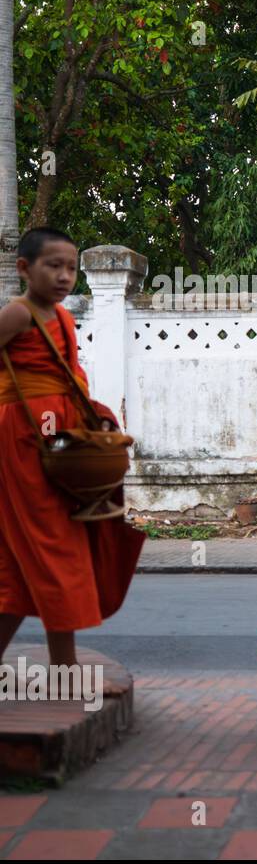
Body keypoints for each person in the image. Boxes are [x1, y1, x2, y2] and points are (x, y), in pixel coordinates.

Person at [0, 227, 144, 693]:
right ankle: (64, 675)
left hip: (59, 435)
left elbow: (70, 377)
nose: (64, 276)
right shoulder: (17, 315)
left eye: (70, 268)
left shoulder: (59, 316)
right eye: (53, 266)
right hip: (23, 441)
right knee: (54, 544)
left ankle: (61, 670)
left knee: (24, 561)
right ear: (25, 269)